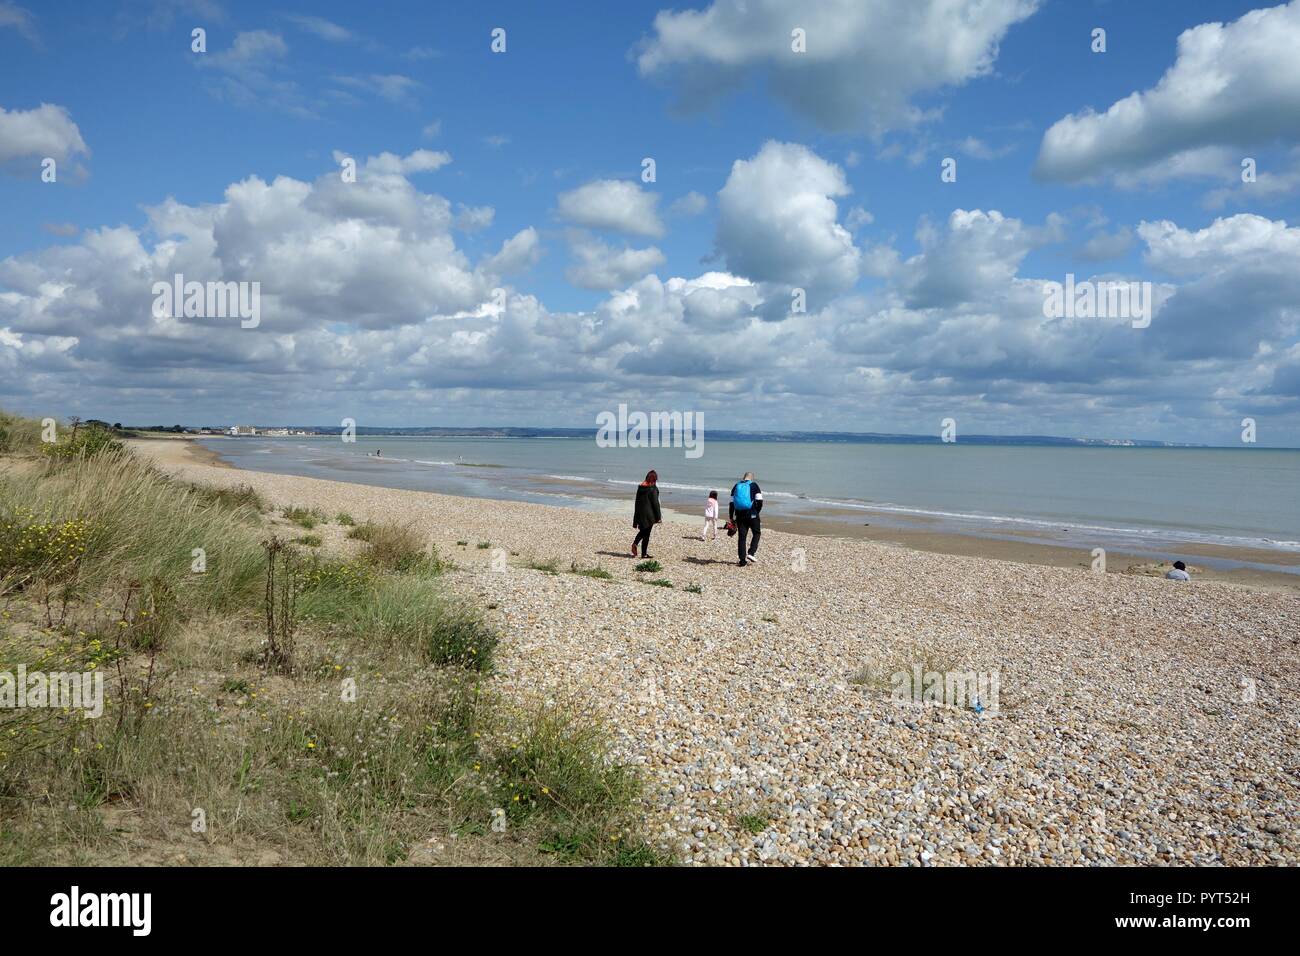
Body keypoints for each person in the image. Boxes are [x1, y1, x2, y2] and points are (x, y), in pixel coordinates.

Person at [729, 471, 763, 566]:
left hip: (740, 515)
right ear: (752, 478)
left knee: (742, 537)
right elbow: (760, 501)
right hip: (752, 514)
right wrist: (756, 512)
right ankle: (751, 553)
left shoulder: (736, 486)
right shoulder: (754, 485)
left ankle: (742, 561)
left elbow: (731, 503)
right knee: (756, 533)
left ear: (743, 477)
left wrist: (731, 517)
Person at [631, 469, 662, 558]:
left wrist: (635, 518)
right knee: (645, 533)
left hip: (640, 513)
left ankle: (644, 553)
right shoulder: (653, 489)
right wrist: (658, 517)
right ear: (654, 479)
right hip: (650, 515)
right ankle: (635, 543)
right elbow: (655, 503)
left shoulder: (640, 487)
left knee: (645, 532)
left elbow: (637, 502)